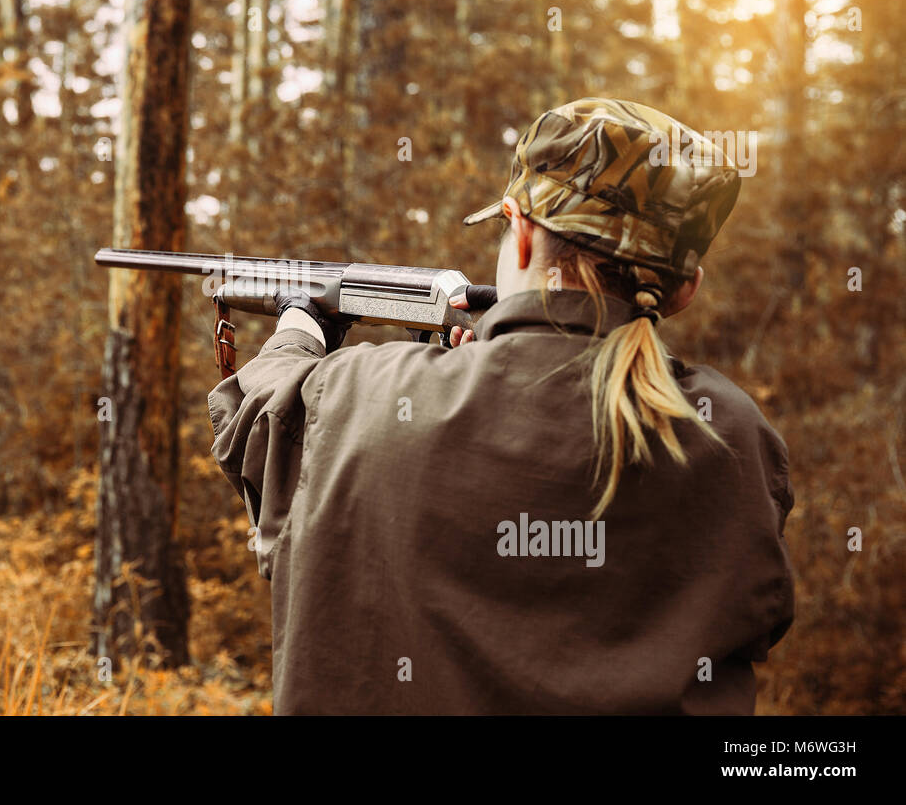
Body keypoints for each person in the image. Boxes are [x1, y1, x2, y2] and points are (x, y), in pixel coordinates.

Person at [207, 98, 794, 714]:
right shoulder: (734, 434)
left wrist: (300, 323)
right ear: (685, 290)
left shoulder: (360, 397)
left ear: (521, 233)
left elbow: (258, 413)